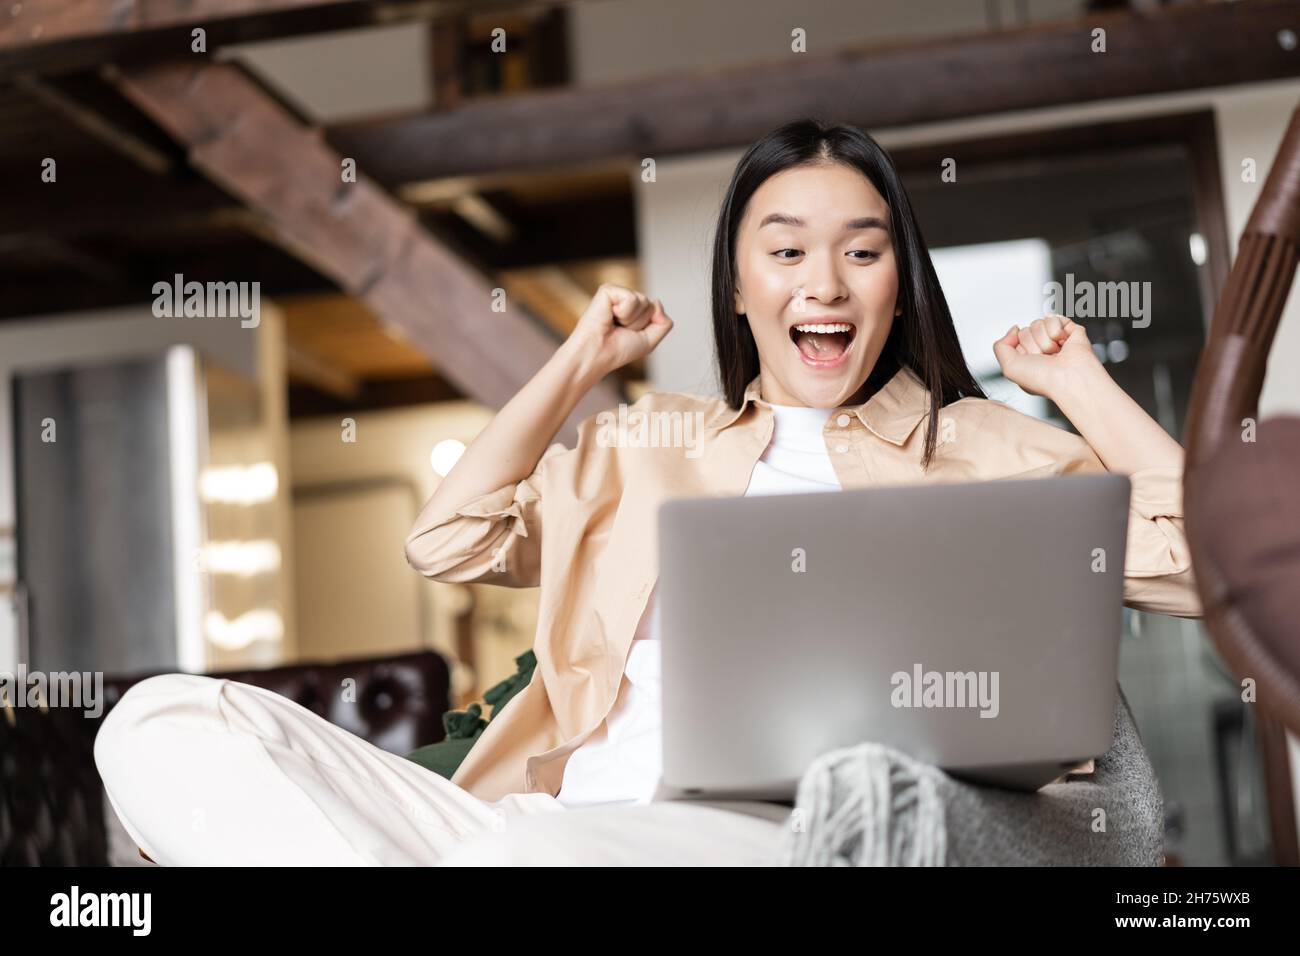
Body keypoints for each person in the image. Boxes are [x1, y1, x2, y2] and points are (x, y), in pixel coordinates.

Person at [95, 118, 1202, 866]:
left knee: (529, 855)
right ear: (736, 284)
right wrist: (575, 364)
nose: (822, 282)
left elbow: (1207, 570)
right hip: (533, 822)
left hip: (758, 836)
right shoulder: (646, 443)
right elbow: (449, 538)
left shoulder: (988, 450)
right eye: (785, 251)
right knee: (162, 720)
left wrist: (1080, 385)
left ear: (898, 281)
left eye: (862, 253)